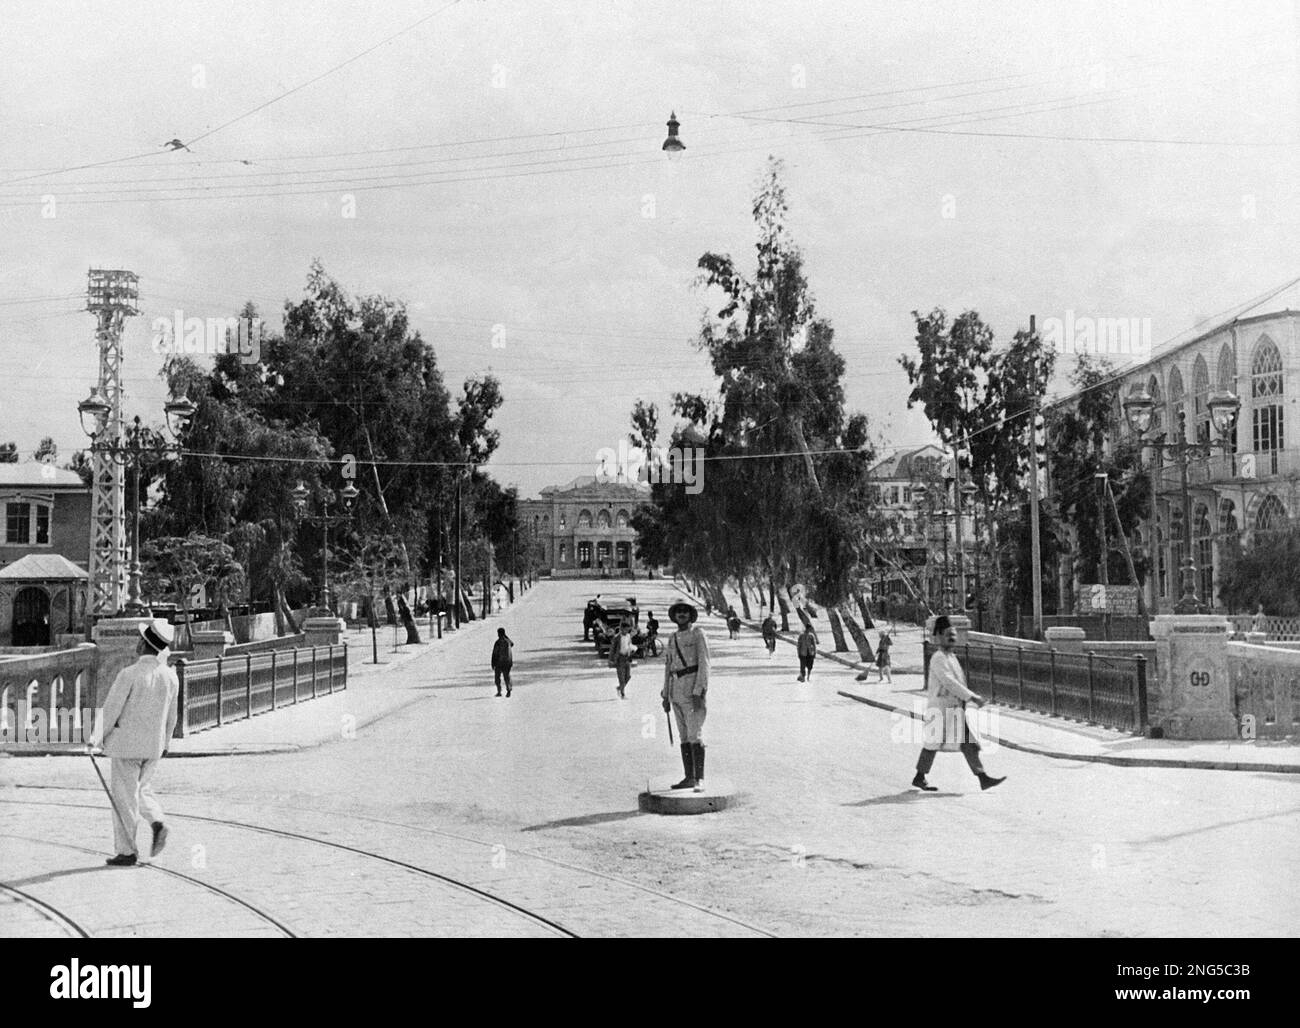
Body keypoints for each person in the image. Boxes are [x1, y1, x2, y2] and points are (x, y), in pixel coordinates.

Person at [91, 619, 180, 866]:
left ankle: (127, 851)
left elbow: (111, 710)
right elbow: (172, 717)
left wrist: (94, 739)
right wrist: (166, 743)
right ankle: (157, 821)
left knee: (124, 798)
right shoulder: (170, 677)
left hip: (126, 746)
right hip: (153, 746)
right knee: (141, 790)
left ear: (143, 643)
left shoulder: (129, 674)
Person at [913, 615, 1005, 792]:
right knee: (933, 743)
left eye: (953, 635)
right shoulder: (938, 658)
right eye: (948, 635)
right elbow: (949, 682)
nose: (952, 638)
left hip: (955, 709)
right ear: (939, 636)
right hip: (941, 708)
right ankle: (919, 776)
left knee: (968, 742)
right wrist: (971, 697)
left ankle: (983, 778)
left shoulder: (951, 657)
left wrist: (967, 698)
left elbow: (959, 681)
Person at [661, 601, 710, 792]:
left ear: (691, 615)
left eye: (685, 611)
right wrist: (666, 694)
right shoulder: (672, 638)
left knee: (694, 735)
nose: (681, 614)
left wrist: (699, 691)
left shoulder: (697, 634)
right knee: (683, 736)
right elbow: (668, 667)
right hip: (676, 692)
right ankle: (689, 777)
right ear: (674, 617)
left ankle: (699, 779)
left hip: (691, 691)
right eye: (678, 612)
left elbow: (704, 664)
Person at [609, 620, 636, 698]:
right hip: (619, 658)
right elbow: (612, 649)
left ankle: (619, 688)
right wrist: (611, 660)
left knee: (628, 676)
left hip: (627, 658)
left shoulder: (628, 636)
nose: (626, 631)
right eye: (625, 629)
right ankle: (622, 694)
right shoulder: (617, 637)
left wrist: (632, 649)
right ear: (621, 629)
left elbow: (629, 645)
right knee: (621, 677)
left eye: (628, 630)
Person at [491, 628, 513, 697]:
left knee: (498, 678)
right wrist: (506, 636)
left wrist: (493, 663)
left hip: (500, 663)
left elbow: (494, 653)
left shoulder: (498, 642)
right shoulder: (507, 641)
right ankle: (507, 690)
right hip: (506, 663)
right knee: (506, 677)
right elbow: (512, 644)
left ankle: (500, 691)